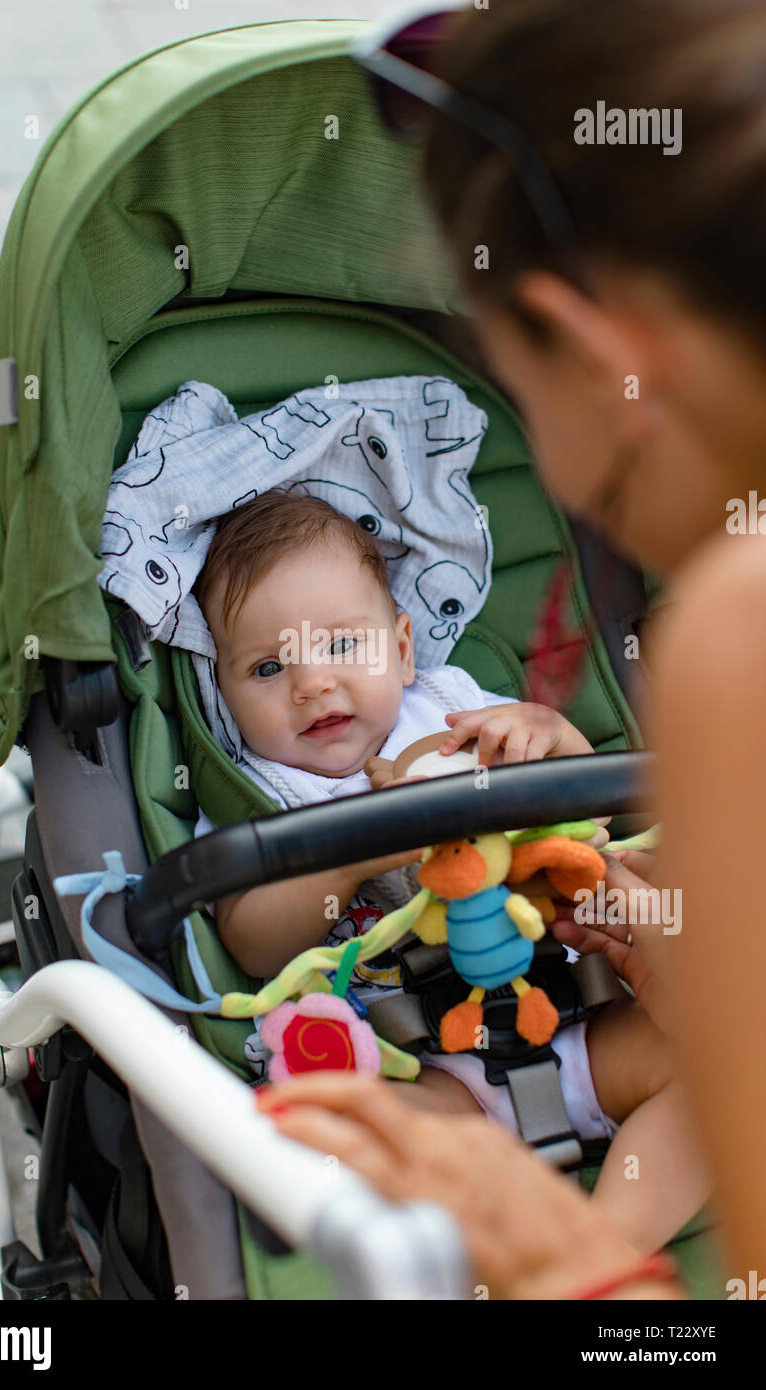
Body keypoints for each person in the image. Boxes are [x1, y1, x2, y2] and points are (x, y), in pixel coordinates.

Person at [257, 0, 766, 1300]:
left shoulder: (735, 629)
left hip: (577, 1045)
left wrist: (558, 1253)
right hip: (447, 1036)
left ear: (596, 360)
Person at [194, 488, 711, 1255]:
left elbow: (589, 812)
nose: (311, 684)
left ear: (402, 648)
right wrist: (364, 846)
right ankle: (515, 1234)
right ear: (224, 697)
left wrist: (552, 737)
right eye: (268, 666)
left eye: (343, 646)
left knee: (723, 1073)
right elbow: (253, 940)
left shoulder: (453, 708)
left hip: (586, 1016)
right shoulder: (266, 796)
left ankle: (606, 1249)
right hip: (427, 1069)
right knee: (338, 1150)